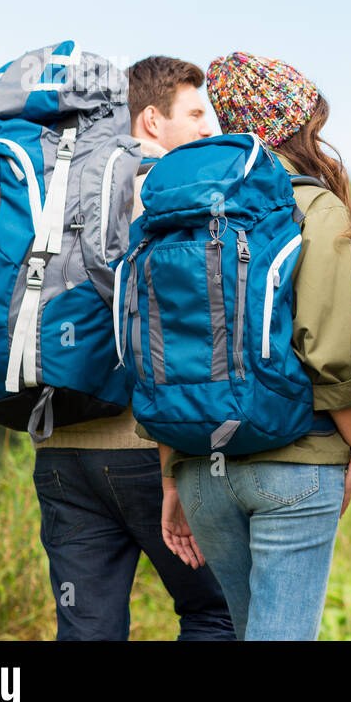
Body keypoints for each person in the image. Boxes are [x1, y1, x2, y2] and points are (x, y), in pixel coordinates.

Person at [147, 51, 351, 641]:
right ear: (298, 126)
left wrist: (173, 474)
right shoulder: (313, 206)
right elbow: (323, 352)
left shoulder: (186, 208)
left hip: (202, 468)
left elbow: (168, 347)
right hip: (295, 463)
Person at [31, 55, 232, 640]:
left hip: (61, 447)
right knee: (215, 611)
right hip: (147, 450)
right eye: (194, 113)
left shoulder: (59, 191)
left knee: (86, 630)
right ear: (150, 119)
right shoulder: (164, 193)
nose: (207, 128)